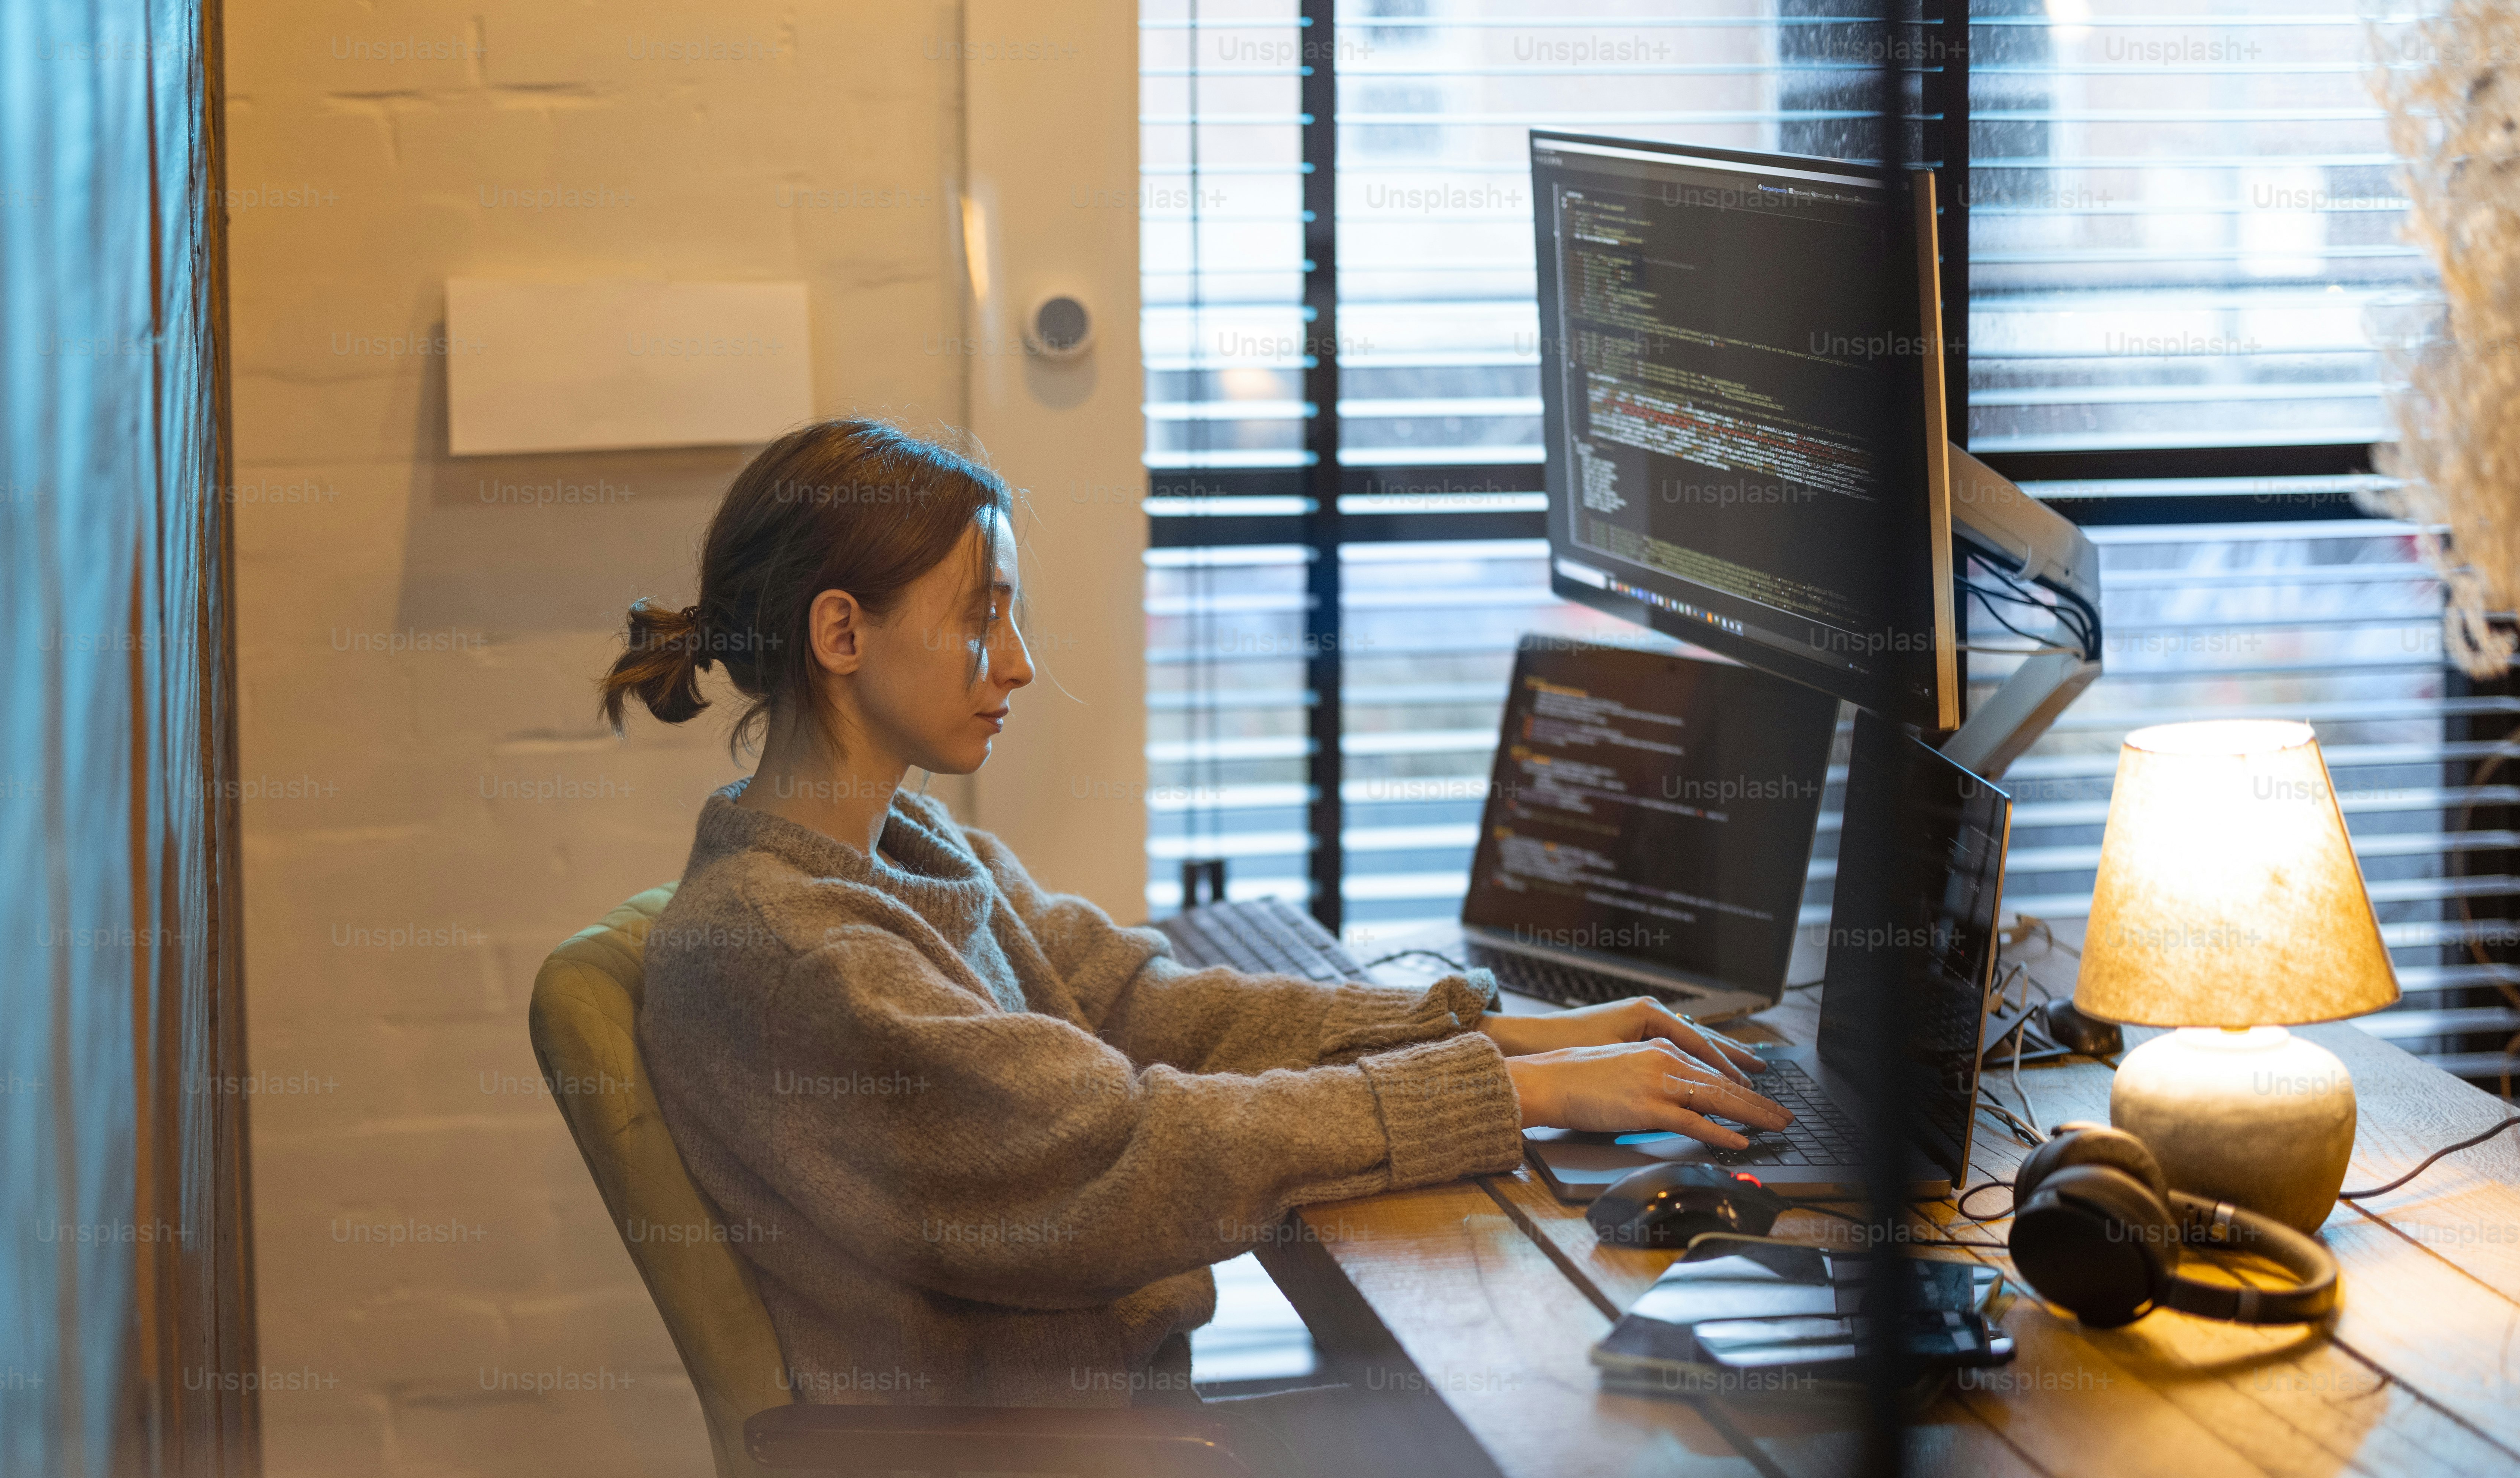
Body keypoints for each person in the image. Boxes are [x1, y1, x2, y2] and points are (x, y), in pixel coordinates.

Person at [616, 418, 1789, 1413]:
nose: (1018, 663)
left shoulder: (911, 849)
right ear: (840, 635)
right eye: (981, 617)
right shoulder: (797, 957)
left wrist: (1495, 1034)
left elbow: (1145, 1008)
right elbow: (1123, 1153)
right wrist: (1508, 1095)